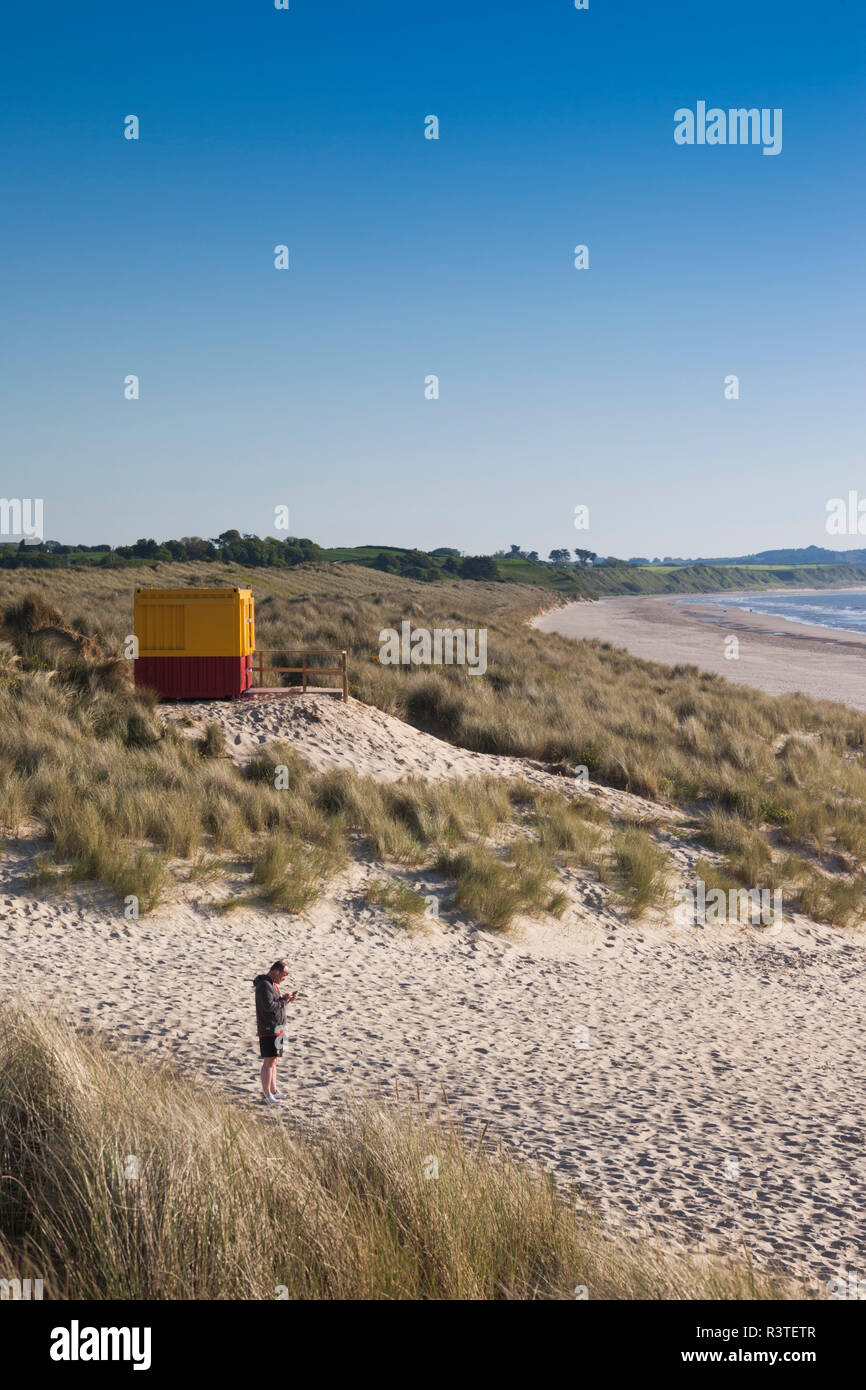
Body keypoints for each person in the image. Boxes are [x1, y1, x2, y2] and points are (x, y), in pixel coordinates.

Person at [253, 960, 297, 1104]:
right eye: (284, 975)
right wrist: (284, 1000)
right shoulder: (264, 985)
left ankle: (273, 1090)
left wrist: (286, 999)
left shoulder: (272, 984)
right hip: (269, 1029)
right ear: (276, 971)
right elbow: (268, 1006)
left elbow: (275, 1004)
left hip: (279, 1028)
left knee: (275, 1060)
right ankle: (267, 1094)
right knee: (268, 1062)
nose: (284, 978)